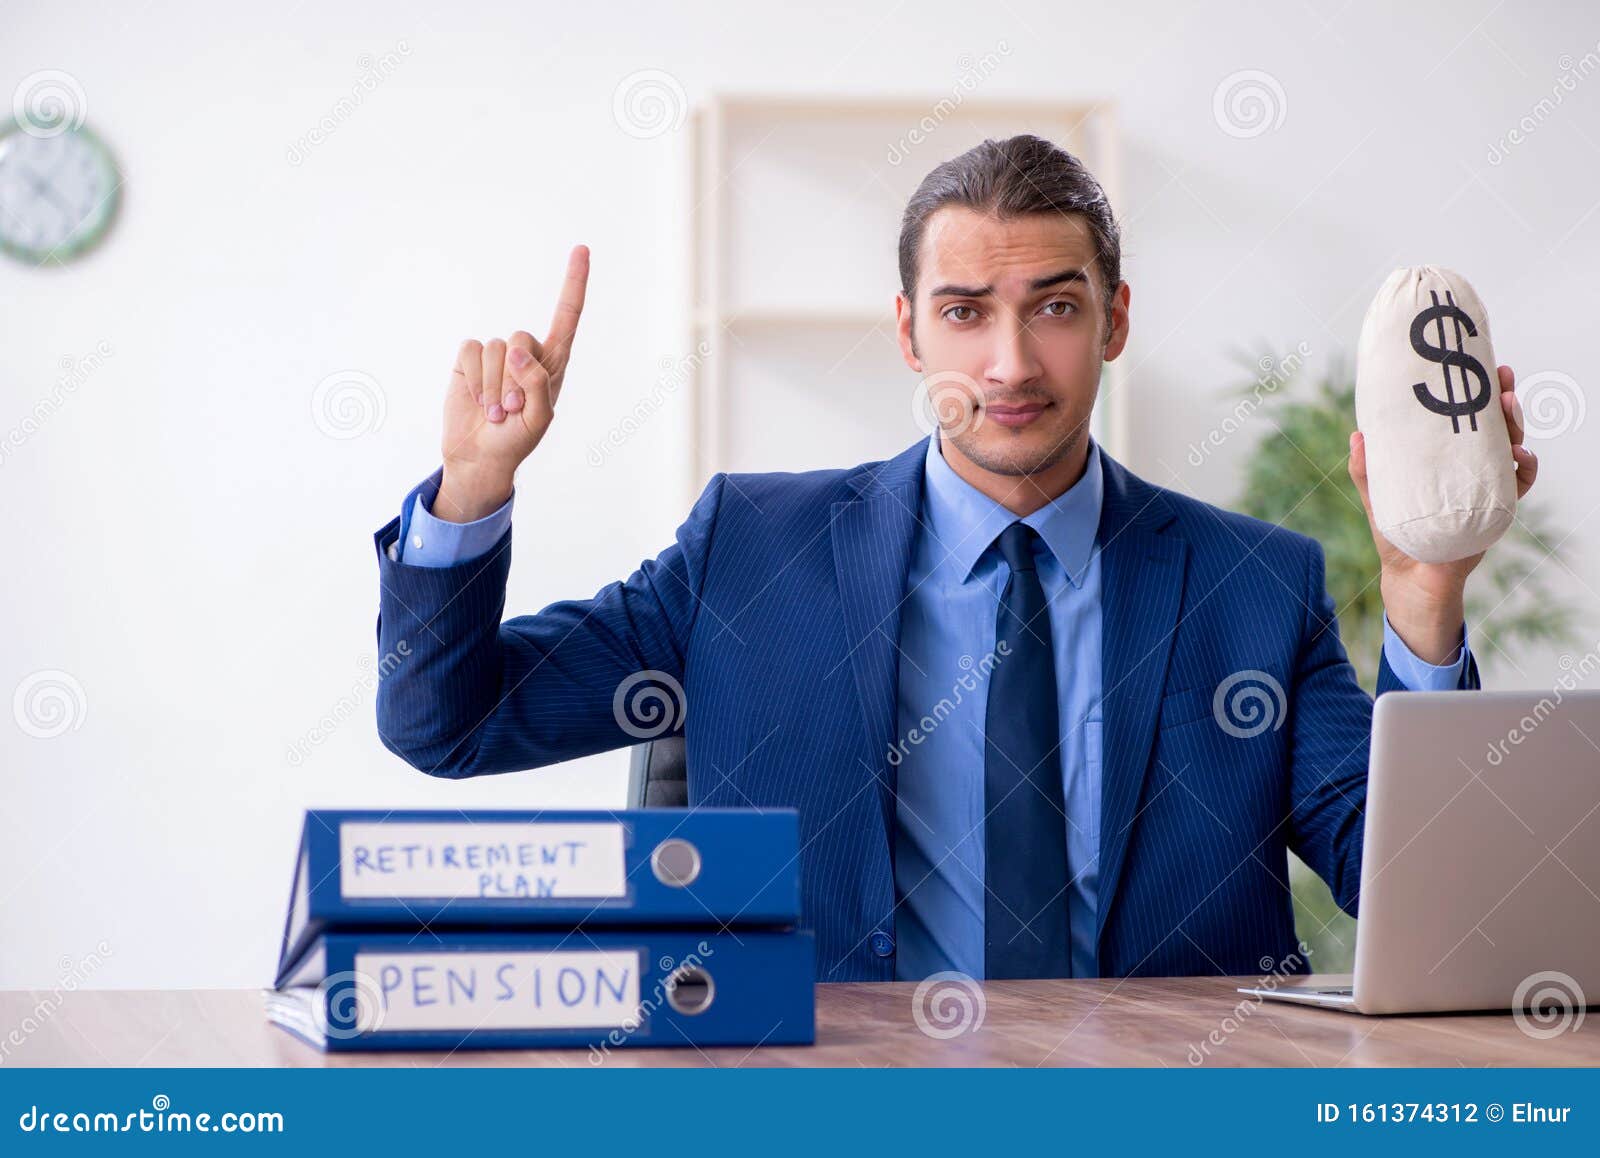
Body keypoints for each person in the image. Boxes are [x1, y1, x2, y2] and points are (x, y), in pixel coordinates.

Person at [372, 135, 1538, 983]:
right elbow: (452, 724)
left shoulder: (1250, 585)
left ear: (1116, 321)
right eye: (968, 310)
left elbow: (1410, 891)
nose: (1011, 364)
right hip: (833, 1105)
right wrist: (475, 489)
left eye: (1056, 308)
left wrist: (1424, 591)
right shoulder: (749, 555)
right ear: (909, 330)